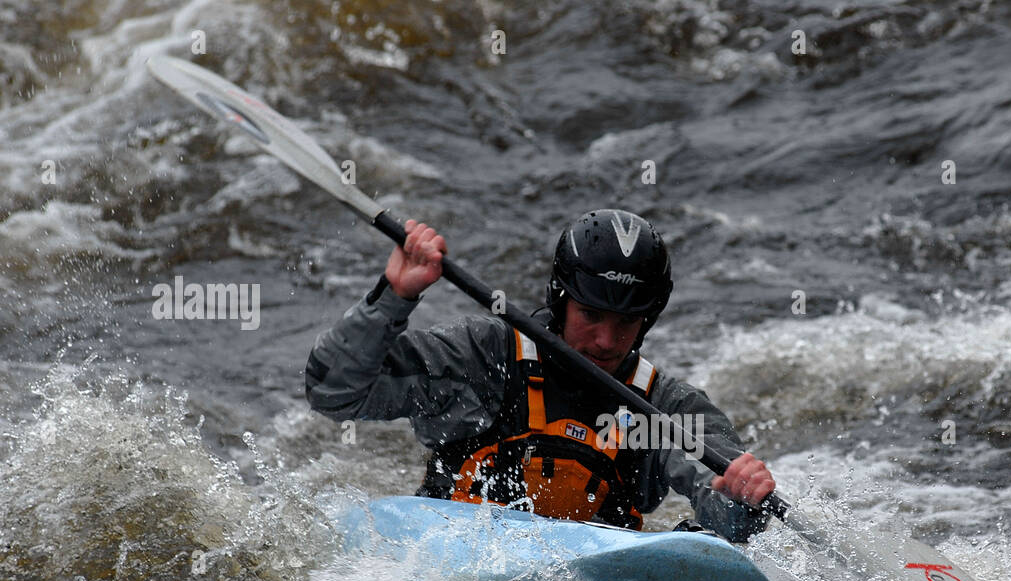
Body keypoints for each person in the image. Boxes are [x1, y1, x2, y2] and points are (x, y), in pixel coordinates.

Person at [305, 208, 776, 542]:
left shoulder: (664, 407)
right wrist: (394, 296)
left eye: (626, 323)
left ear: (647, 321)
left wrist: (737, 498)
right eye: (591, 315)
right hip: (450, 567)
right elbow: (336, 392)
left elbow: (726, 519)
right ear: (560, 298)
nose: (607, 341)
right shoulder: (483, 359)